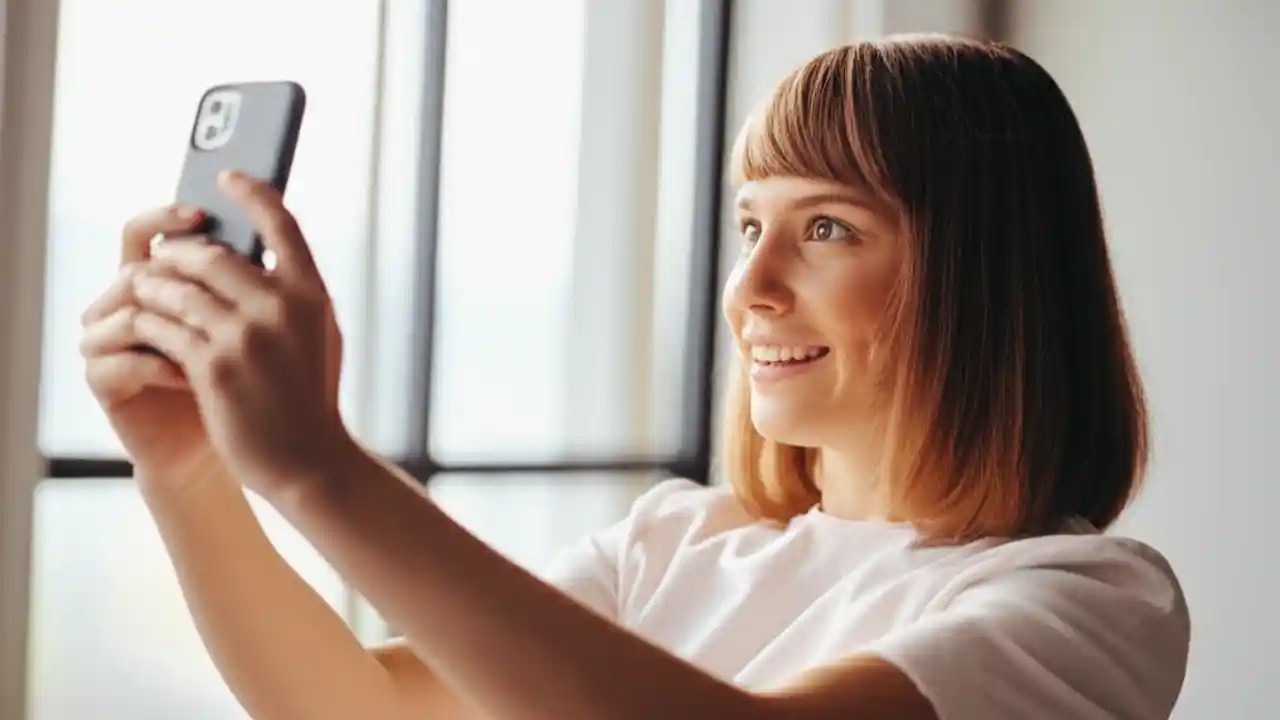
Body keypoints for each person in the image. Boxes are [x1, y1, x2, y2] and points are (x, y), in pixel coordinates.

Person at [78, 34, 1189, 720]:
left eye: (827, 229)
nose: (749, 286)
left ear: (984, 278)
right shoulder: (673, 542)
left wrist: (321, 470)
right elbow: (358, 707)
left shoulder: (1082, 604)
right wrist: (189, 475)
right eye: (750, 225)